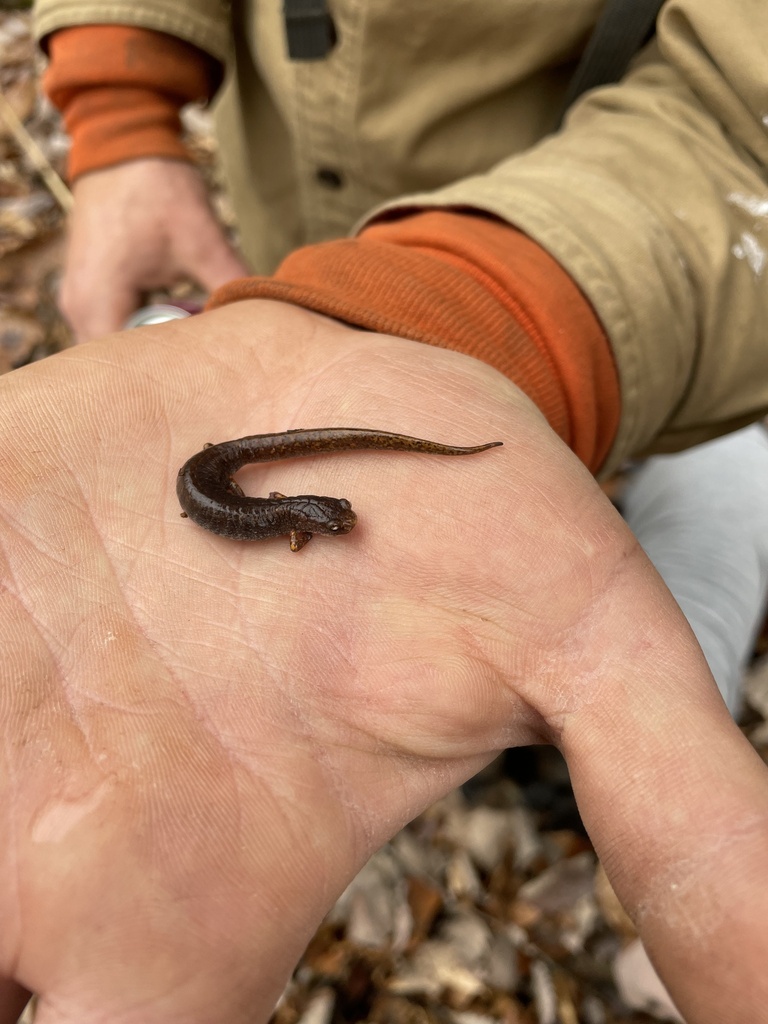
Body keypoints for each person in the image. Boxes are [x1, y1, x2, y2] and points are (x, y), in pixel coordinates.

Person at [0, 1, 765, 1021]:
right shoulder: (281, 518)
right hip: (275, 321)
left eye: (329, 520)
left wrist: (501, 301)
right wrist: (122, 104)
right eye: (329, 522)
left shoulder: (286, 513)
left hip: (535, 269)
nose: (334, 526)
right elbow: (271, 510)